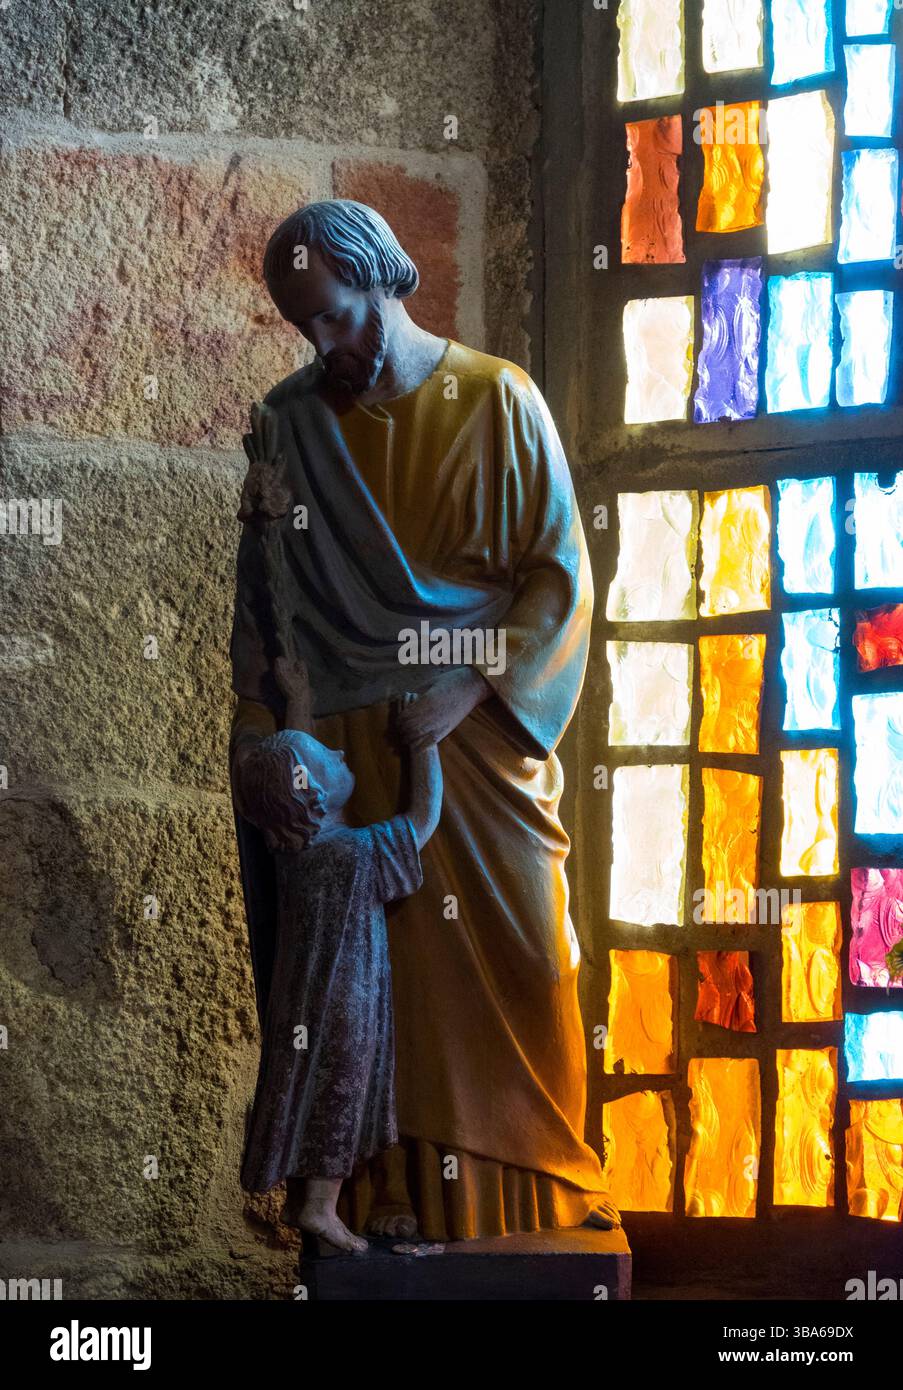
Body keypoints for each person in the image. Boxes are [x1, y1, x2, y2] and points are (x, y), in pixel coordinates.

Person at [230, 198, 620, 1241]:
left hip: (479, 741)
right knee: (368, 996)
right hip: (349, 758)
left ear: (383, 278)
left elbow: (558, 581)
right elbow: (263, 626)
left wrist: (473, 683)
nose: (323, 342)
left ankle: (532, 1207)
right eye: (303, 324)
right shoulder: (288, 425)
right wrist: (262, 751)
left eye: (334, 312)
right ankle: (387, 1208)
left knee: (530, 967)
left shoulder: (497, 399)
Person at [233, 651, 442, 1254]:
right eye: (329, 758)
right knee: (339, 1098)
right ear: (315, 797)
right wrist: (424, 742)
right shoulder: (352, 854)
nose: (341, 750)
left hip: (310, 999)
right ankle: (319, 1209)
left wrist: (299, 701)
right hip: (347, 1002)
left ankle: (313, 1201)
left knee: (325, 1095)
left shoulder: (295, 851)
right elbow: (423, 818)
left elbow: (300, 773)